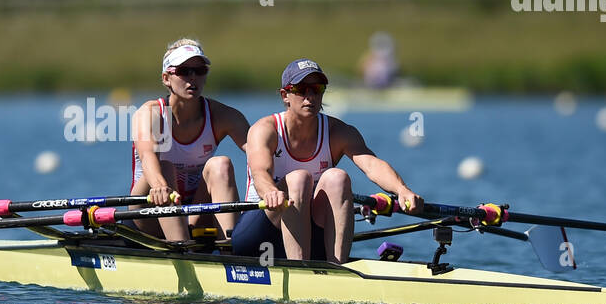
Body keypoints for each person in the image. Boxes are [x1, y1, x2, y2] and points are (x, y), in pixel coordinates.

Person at [232, 57, 422, 263]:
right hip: (259, 233)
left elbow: (371, 164)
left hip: (307, 233)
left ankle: (336, 267)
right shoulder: (265, 129)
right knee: (299, 179)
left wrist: (402, 190)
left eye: (316, 88)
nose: (310, 96)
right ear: (285, 95)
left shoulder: (338, 132)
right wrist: (270, 192)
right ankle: (300, 268)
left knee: (337, 178)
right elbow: (260, 173)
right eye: (302, 89)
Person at [130, 39, 250, 242]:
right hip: (148, 210)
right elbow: (147, 156)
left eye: (200, 70)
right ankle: (182, 248)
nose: (192, 78)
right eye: (184, 71)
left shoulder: (224, 115)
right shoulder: (150, 114)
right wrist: (159, 186)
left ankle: (229, 250)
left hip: (194, 210)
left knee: (221, 164)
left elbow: (262, 155)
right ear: (167, 78)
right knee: (165, 167)